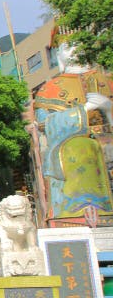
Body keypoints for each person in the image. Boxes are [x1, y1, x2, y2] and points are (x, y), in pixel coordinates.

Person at [33, 40, 113, 220]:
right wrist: (84, 110)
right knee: (80, 148)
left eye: (80, 45)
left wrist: (108, 107)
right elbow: (44, 124)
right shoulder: (49, 89)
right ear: (59, 56)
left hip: (108, 140)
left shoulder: (107, 81)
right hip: (74, 153)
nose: (75, 51)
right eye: (67, 48)